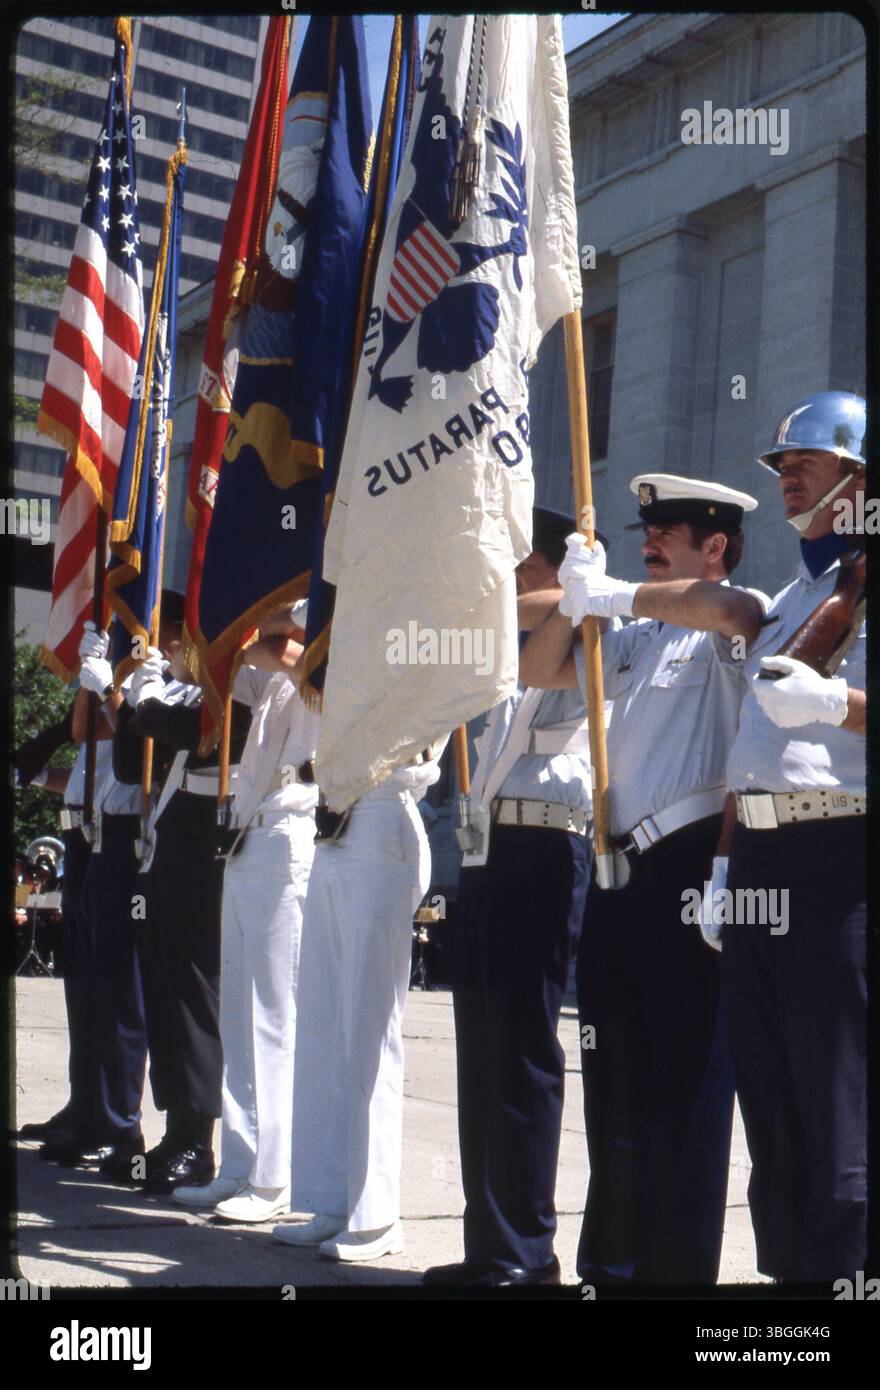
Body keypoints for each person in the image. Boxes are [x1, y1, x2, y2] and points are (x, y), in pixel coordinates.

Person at [521, 475, 768, 1285]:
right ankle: (611, 1265)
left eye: (667, 533)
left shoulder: (727, 619)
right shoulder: (636, 637)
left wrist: (622, 591)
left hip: (692, 865)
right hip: (620, 871)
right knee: (616, 1083)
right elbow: (543, 670)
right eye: (644, 532)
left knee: (688, 1087)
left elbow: (734, 615)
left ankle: (676, 1276)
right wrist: (573, 598)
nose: (648, 542)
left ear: (716, 547)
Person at [424, 508, 596, 1288]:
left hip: (546, 844)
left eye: (520, 566)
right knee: (483, 1057)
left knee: (524, 1052)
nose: (506, 580)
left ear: (553, 570)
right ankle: (488, 1243)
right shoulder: (497, 651)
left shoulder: (587, 619)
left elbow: (519, 617)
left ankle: (527, 1250)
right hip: (489, 848)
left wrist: (552, 592)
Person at [174, 603, 319, 1223]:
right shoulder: (277, 642)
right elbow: (224, 675)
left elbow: (296, 654)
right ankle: (239, 1165)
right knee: (238, 1010)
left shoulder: (322, 623)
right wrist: (216, 643)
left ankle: (273, 1177)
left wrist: (255, 625)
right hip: (250, 826)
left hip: (292, 820)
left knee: (273, 1012)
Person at [274, 738, 445, 1261]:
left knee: (369, 1028)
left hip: (379, 814)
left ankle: (375, 1217)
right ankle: (333, 1200)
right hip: (335, 821)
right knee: (324, 1025)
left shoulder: (405, 654)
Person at [119, 649, 265, 1193]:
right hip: (176, 828)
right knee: (165, 984)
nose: (180, 650)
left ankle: (195, 1140)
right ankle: (176, 1128)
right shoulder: (198, 680)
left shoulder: (246, 671)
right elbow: (127, 763)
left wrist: (151, 697)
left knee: (192, 985)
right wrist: (133, 696)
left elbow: (210, 734)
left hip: (209, 828)